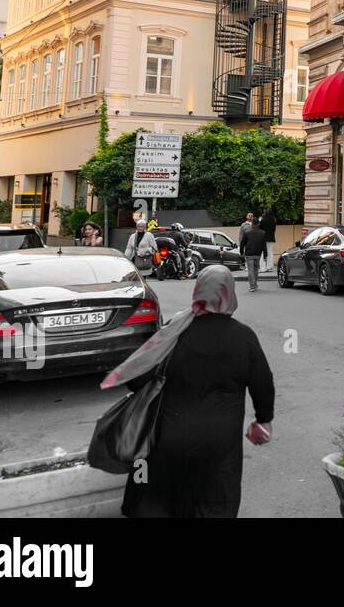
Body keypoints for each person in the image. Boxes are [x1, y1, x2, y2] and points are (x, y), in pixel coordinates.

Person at [102, 265, 275, 518]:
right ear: (230, 295)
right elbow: (263, 384)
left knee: (170, 501)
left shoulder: (176, 331)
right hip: (220, 443)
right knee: (215, 502)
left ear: (198, 291)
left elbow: (136, 379)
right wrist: (262, 421)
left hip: (171, 437)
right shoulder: (244, 337)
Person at [240, 219, 268, 293]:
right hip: (258, 254)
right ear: (258, 224)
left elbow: (242, 243)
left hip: (249, 254)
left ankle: (252, 286)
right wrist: (265, 255)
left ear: (252, 224)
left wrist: (241, 252)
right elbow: (264, 245)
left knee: (250, 270)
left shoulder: (247, 233)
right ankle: (255, 284)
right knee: (256, 270)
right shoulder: (263, 233)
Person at [259, 207, 277, 274]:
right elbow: (274, 230)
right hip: (271, 238)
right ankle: (270, 267)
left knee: (263, 253)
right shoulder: (274, 220)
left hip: (263, 238)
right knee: (270, 252)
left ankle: (263, 268)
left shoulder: (263, 220)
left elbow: (260, 228)